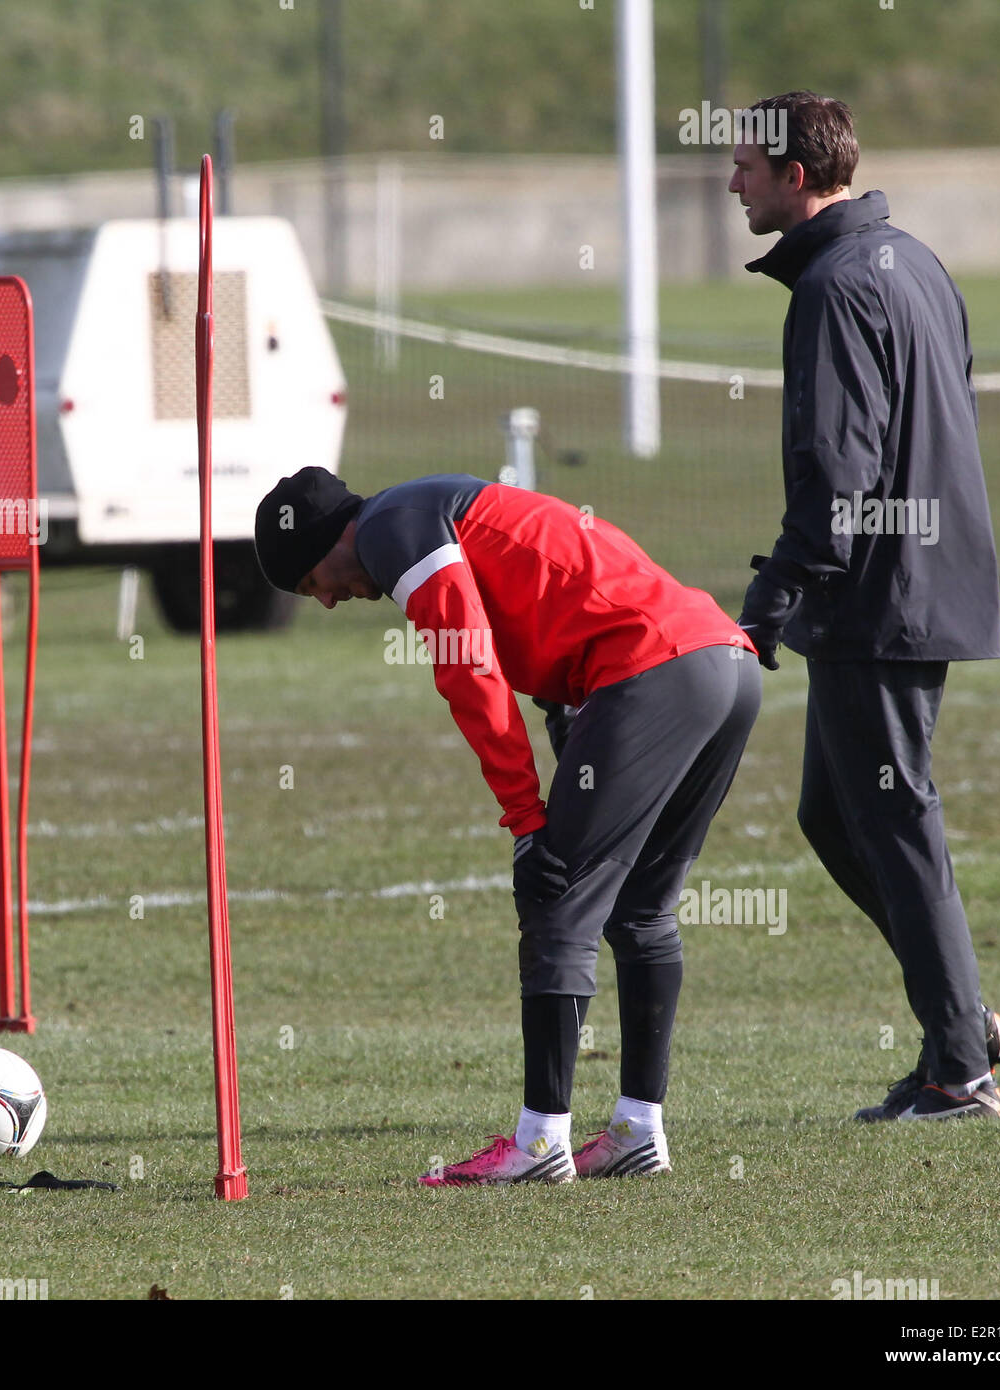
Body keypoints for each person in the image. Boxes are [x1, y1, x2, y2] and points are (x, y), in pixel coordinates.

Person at [254, 468, 761, 1183]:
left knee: (556, 901)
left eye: (312, 582)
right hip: (723, 658)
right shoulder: (432, 504)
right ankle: (635, 1129)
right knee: (642, 911)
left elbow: (468, 666)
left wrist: (526, 819)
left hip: (652, 666)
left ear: (333, 535)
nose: (329, 600)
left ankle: (539, 1144)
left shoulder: (386, 528)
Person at [730, 91, 1000, 1121]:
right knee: (835, 812)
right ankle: (964, 1017)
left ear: (793, 177)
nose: (731, 184)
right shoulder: (914, 264)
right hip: (910, 582)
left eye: (745, 170)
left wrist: (767, 601)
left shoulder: (837, 288)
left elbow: (837, 471)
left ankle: (955, 1068)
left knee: (892, 819)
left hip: (881, 596)